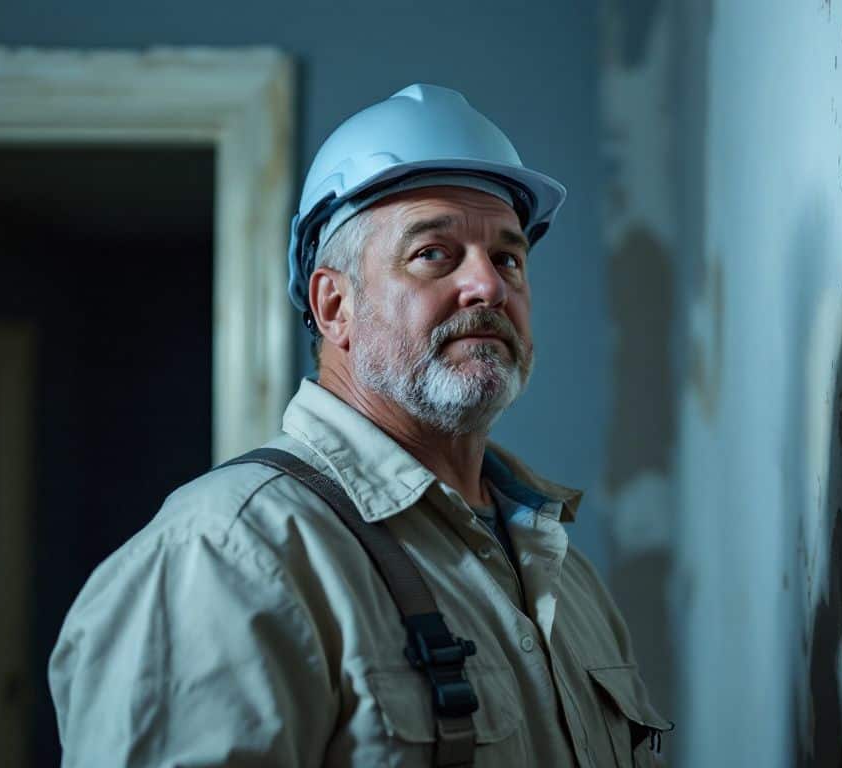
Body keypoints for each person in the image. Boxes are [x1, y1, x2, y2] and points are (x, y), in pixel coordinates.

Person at [49, 83, 671, 767]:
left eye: (508, 257)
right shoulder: (227, 554)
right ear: (334, 304)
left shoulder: (561, 572)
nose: (489, 286)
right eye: (434, 252)